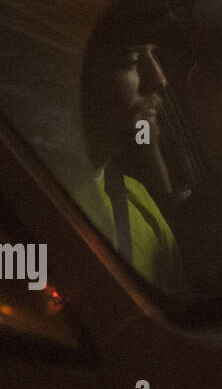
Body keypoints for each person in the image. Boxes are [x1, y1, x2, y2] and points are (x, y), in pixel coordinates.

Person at [77, 38, 184, 295]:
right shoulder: (31, 196)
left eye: (153, 55)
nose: (159, 80)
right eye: (130, 61)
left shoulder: (137, 198)